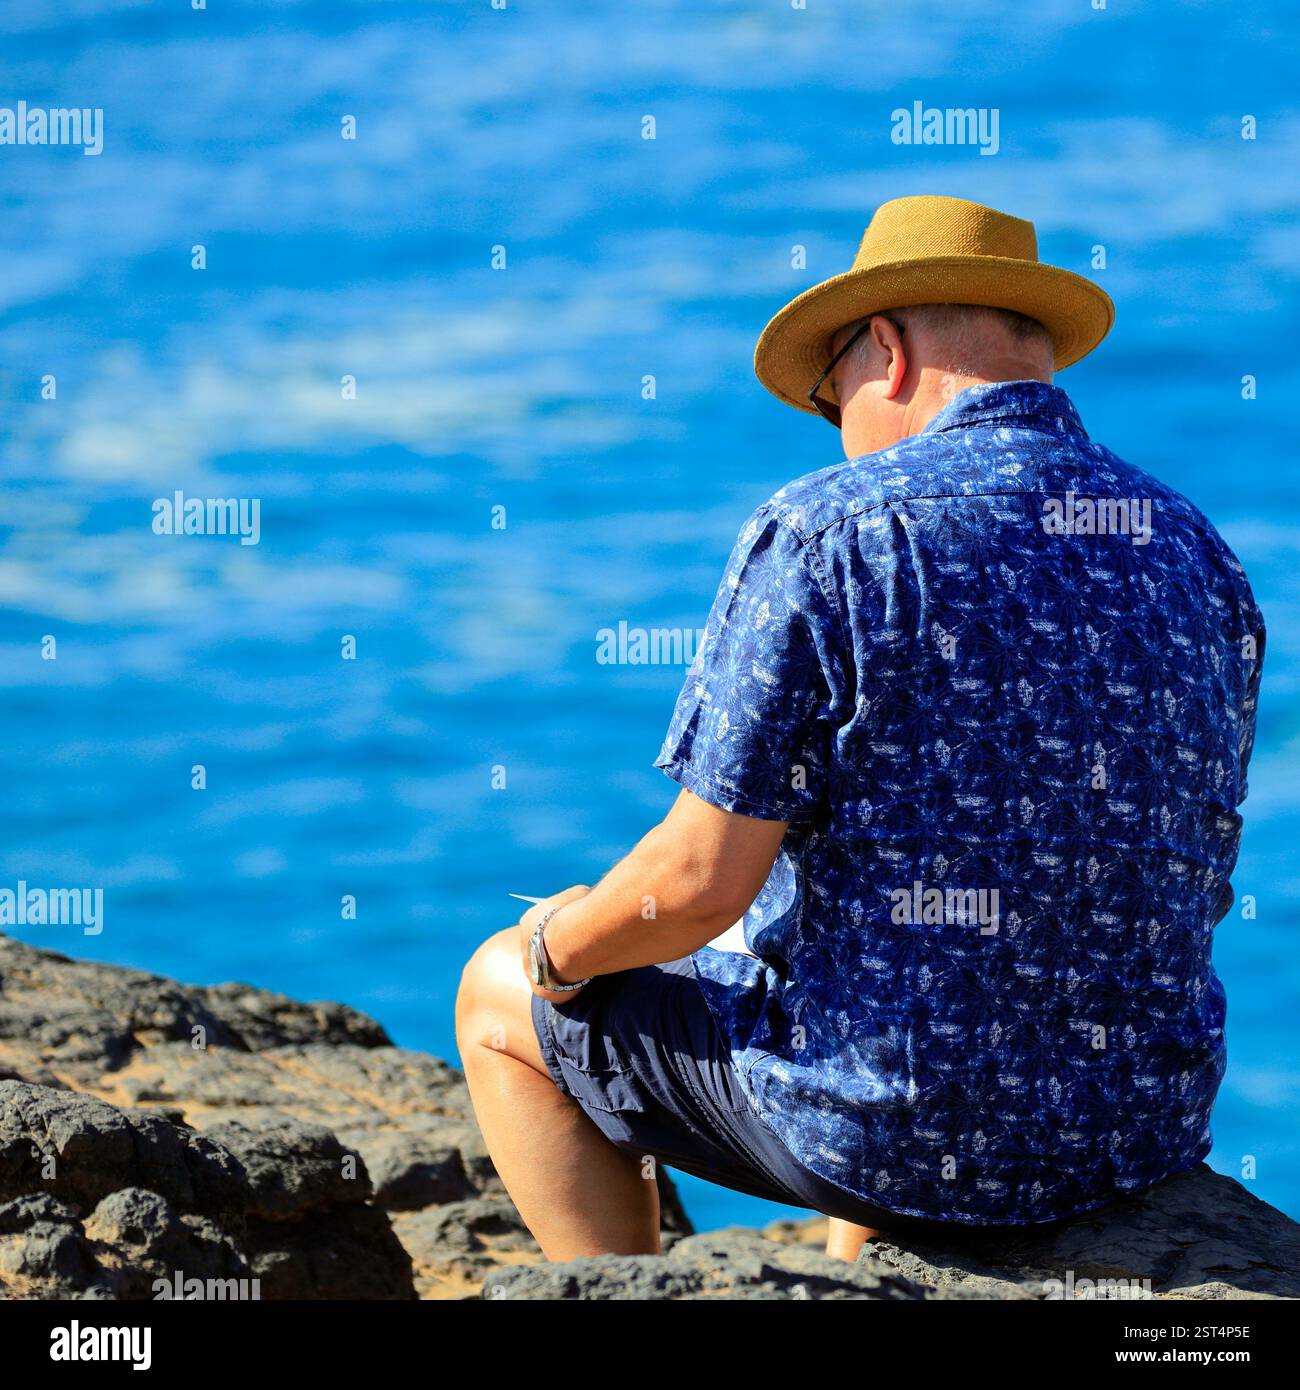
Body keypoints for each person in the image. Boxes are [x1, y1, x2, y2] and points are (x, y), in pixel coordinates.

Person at [455, 195, 1265, 1262]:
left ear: (881, 349)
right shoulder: (1193, 548)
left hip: (904, 1135)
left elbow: (697, 885)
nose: (836, 427)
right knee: (895, 951)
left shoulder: (829, 528)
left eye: (827, 389)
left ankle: (621, 1293)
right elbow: (1191, 873)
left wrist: (556, 947)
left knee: (495, 991)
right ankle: (862, 1277)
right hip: (1133, 1132)